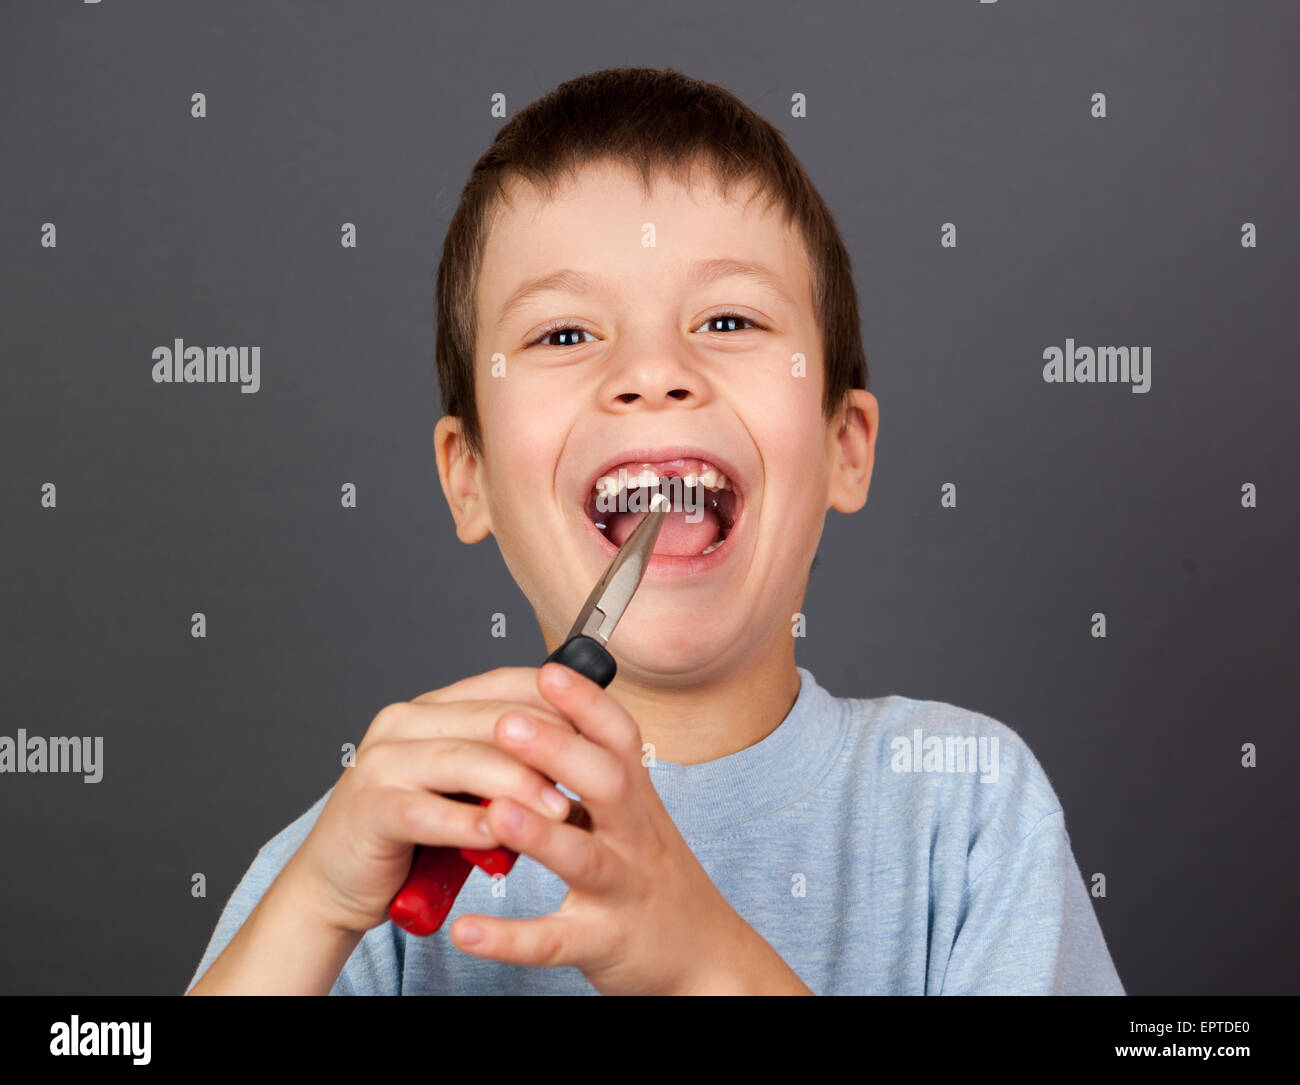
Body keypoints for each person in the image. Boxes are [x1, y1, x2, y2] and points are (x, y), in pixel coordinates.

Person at [186, 66, 1124, 995]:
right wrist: (311, 905)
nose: (652, 372)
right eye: (563, 334)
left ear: (845, 445)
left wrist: (708, 964)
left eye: (727, 318)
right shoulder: (378, 850)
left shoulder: (963, 806)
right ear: (467, 476)